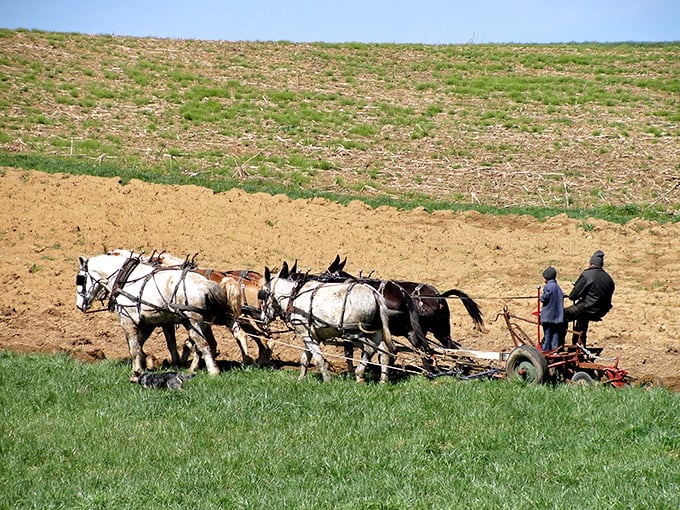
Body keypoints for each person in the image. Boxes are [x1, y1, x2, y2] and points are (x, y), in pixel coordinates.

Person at [563, 250, 615, 347]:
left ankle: (558, 345)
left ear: (591, 264)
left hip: (587, 307)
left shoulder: (587, 275)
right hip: (601, 310)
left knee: (562, 316)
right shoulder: (608, 278)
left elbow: (573, 296)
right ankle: (579, 346)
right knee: (582, 321)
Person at [539, 266, 564, 351]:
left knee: (547, 335)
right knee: (555, 334)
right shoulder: (558, 287)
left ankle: (546, 351)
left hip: (548, 317)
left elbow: (545, 298)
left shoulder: (548, 287)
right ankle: (555, 350)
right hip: (557, 317)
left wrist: (540, 297)